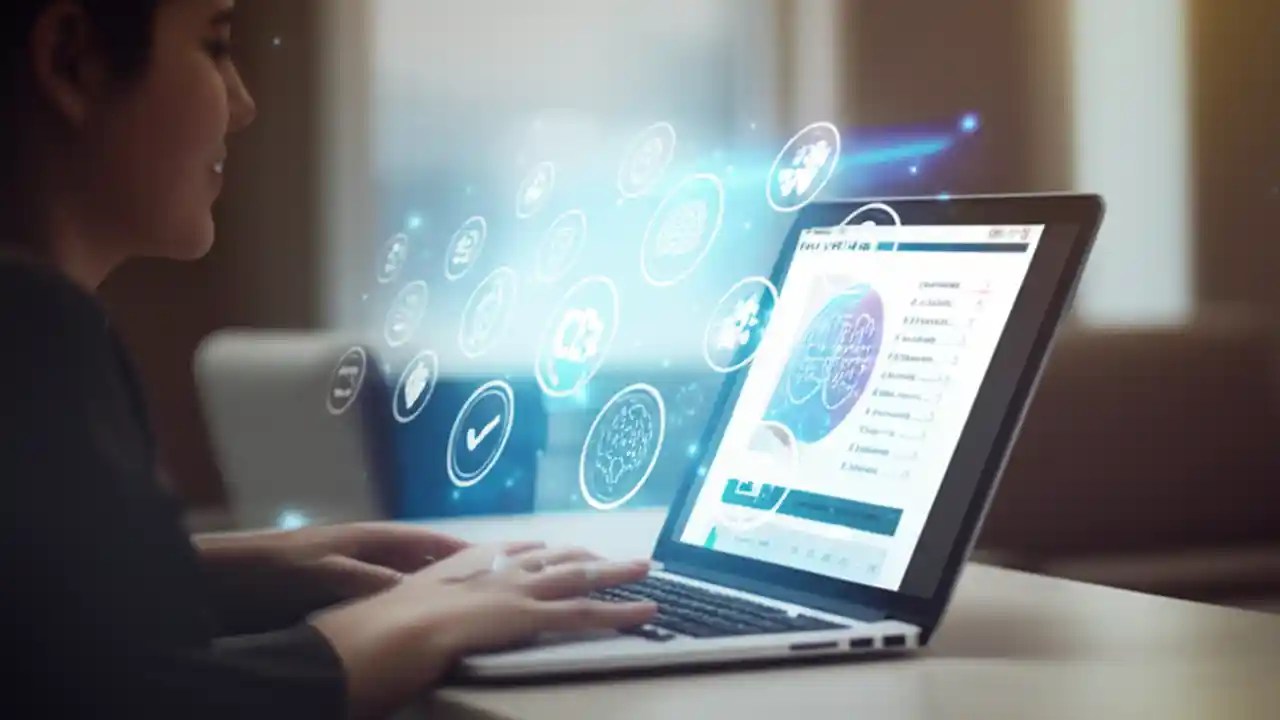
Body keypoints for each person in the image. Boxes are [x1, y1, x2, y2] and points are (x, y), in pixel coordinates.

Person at [0, 1, 658, 718]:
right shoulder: (34, 332)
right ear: (71, 59)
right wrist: (413, 620)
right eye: (214, 45)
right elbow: (139, 704)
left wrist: (259, 567)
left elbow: (44, 636)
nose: (243, 104)